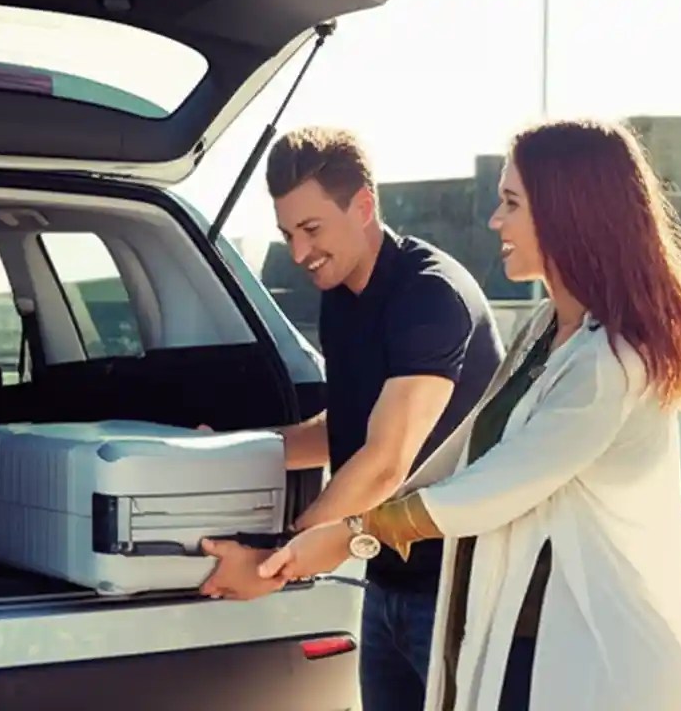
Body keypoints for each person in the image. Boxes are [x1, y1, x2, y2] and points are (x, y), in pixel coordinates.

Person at [257, 118, 681, 711]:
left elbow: (496, 485)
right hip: (514, 632)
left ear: (567, 211)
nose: (496, 220)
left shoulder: (610, 363)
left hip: (593, 655)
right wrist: (292, 531)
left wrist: (348, 536)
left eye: (512, 203)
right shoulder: (543, 331)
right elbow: (458, 457)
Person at [198, 126, 505, 711]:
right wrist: (232, 450)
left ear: (363, 206)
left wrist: (275, 562)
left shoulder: (428, 295)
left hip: (455, 594)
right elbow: (338, 432)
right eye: (288, 233)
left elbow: (387, 461)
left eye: (311, 229)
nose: (298, 252)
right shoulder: (340, 296)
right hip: (382, 580)